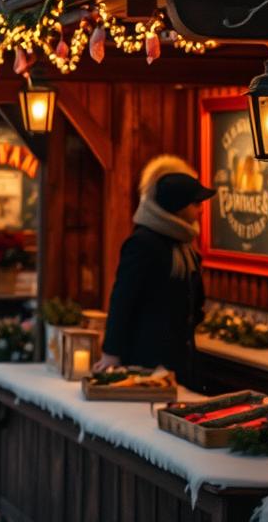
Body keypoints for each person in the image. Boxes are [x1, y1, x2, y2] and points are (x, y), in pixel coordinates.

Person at [95, 155, 212, 382]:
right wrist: (111, 352)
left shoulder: (184, 245)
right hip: (145, 362)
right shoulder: (144, 243)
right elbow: (123, 298)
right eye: (196, 203)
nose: (201, 210)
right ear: (179, 207)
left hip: (178, 359)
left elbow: (193, 300)